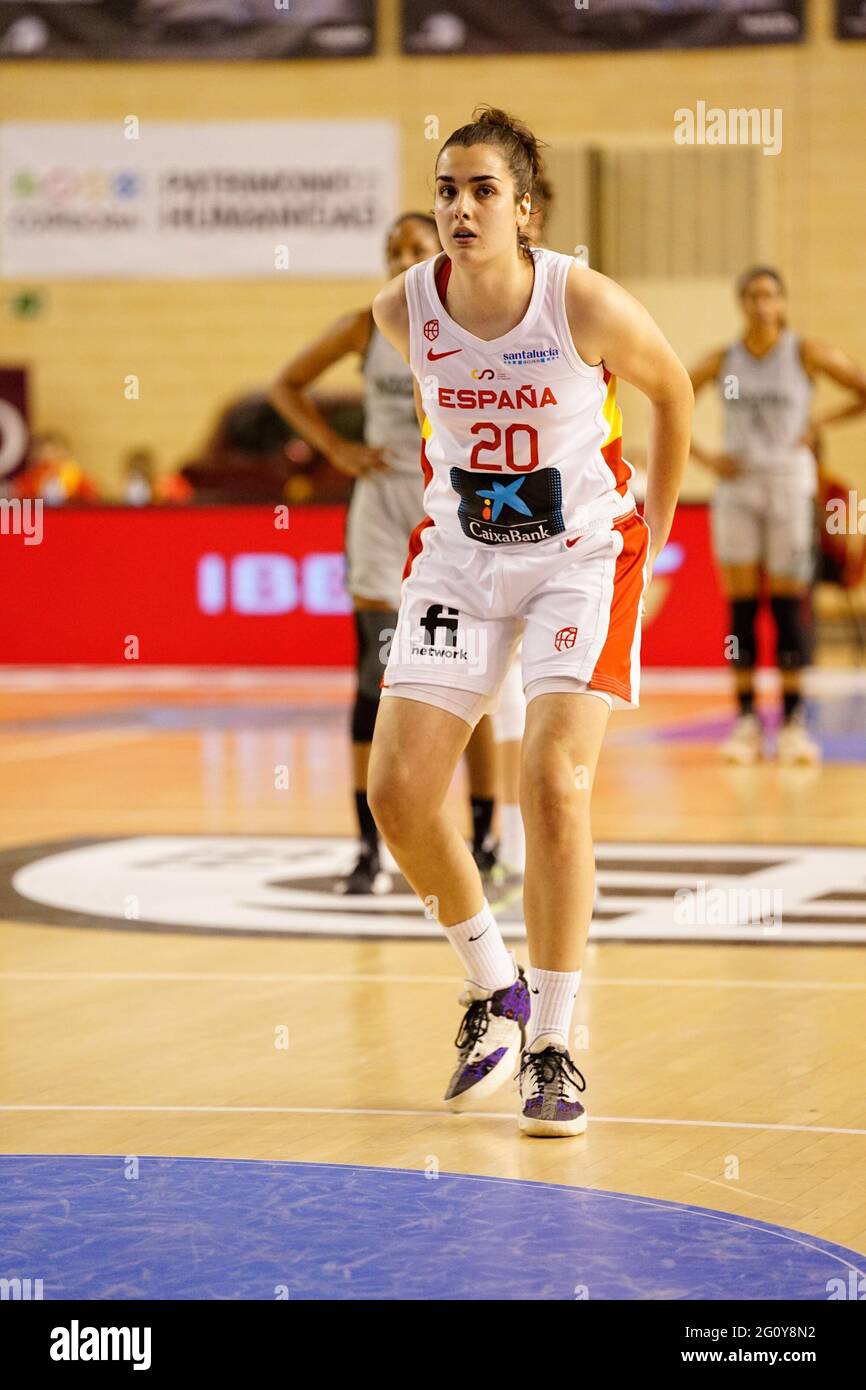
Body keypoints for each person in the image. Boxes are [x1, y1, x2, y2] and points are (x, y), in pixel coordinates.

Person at [368, 107, 692, 1137]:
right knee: (397, 794)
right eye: (445, 190)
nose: (458, 208)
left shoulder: (578, 300)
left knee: (552, 785)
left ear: (526, 212)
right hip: (459, 565)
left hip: (578, 559)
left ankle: (554, 1042)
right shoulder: (402, 310)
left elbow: (674, 393)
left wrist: (659, 539)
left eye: (480, 192)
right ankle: (494, 989)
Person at [269, 211, 503, 894]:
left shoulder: (473, 319)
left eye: (416, 247)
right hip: (380, 504)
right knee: (373, 679)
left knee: (469, 683)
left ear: (441, 254)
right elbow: (287, 384)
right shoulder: (365, 324)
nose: (404, 257)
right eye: (393, 249)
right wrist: (336, 448)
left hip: (452, 504)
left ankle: (484, 837)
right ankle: (369, 852)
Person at [690, 268, 866, 765]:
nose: (760, 303)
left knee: (790, 611)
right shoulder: (725, 361)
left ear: (782, 303)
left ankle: (792, 722)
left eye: (768, 295)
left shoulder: (805, 353)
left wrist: (820, 421)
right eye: (750, 295)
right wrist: (706, 458)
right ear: (740, 304)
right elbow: (672, 396)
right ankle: (745, 721)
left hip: (790, 486)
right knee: (741, 613)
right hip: (738, 489)